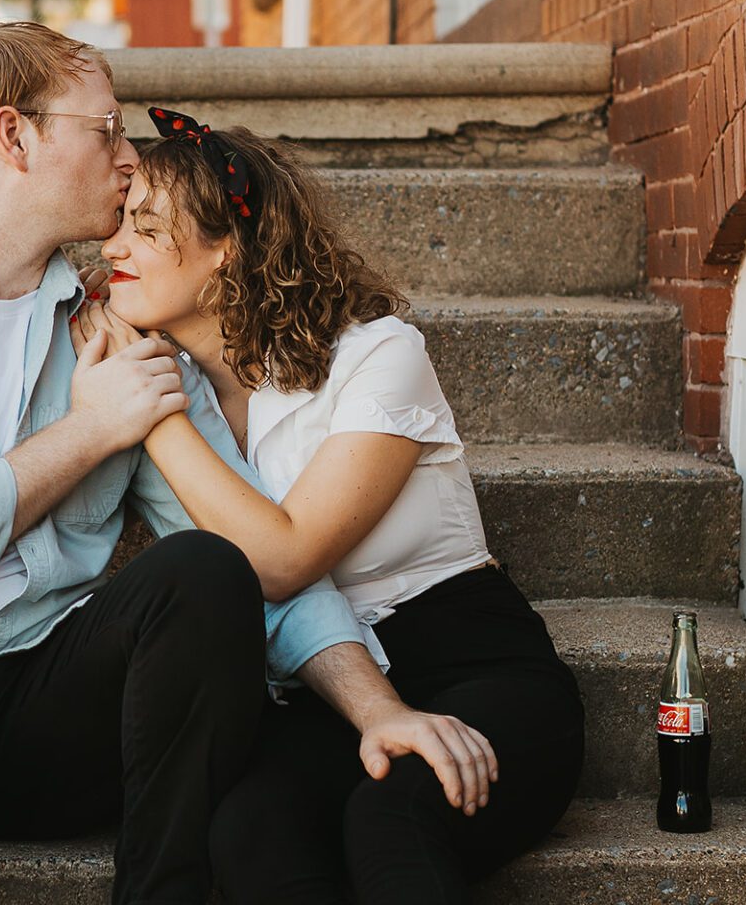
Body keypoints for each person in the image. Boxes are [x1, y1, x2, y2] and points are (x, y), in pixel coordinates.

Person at [0, 22, 399, 905]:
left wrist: (379, 712)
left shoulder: (118, 333)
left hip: (44, 708)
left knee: (203, 571)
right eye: (107, 130)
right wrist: (92, 430)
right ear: (14, 135)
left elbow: (248, 551)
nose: (131, 160)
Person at [71, 107, 586, 905]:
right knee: (247, 832)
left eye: (143, 228)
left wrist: (151, 411)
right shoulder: (183, 387)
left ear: (226, 250)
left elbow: (282, 561)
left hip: (472, 663)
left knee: (394, 816)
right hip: (319, 690)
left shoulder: (377, 356)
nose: (111, 248)